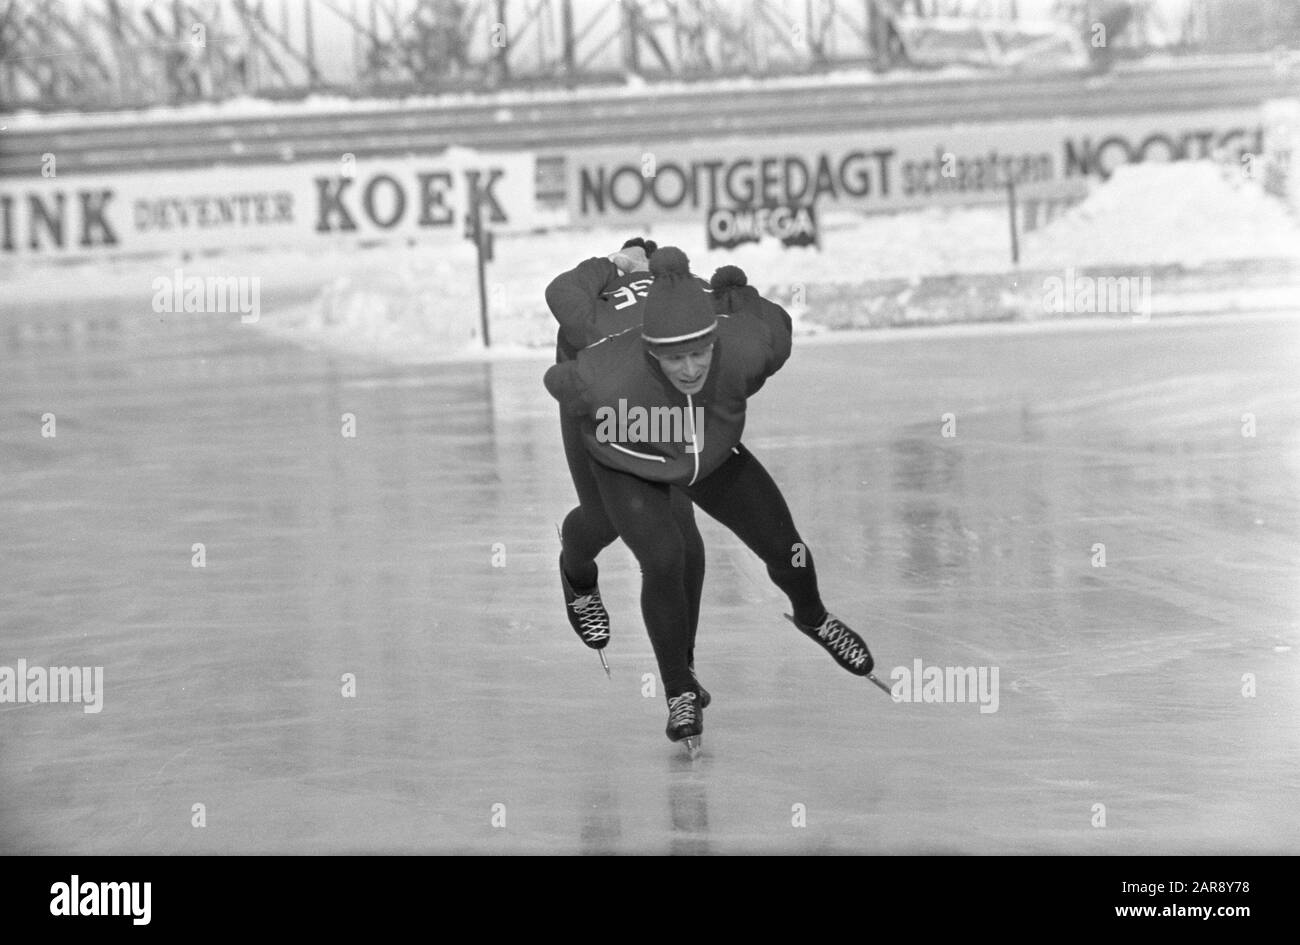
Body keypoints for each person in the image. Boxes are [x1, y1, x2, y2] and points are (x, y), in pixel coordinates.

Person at [544, 247, 876, 750]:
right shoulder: (601, 348)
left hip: (697, 438)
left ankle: (812, 616)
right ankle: (582, 576)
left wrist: (736, 290)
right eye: (675, 358)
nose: (691, 369)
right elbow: (560, 346)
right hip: (621, 436)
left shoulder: (743, 342)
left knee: (780, 544)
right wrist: (611, 264)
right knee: (651, 547)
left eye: (700, 353)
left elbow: (770, 322)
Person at [545, 239, 712, 703]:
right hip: (593, 403)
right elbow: (559, 289)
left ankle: (682, 668)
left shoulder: (691, 297)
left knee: (682, 536)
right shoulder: (596, 296)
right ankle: (576, 570)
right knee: (604, 520)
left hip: (657, 409)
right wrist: (607, 264)